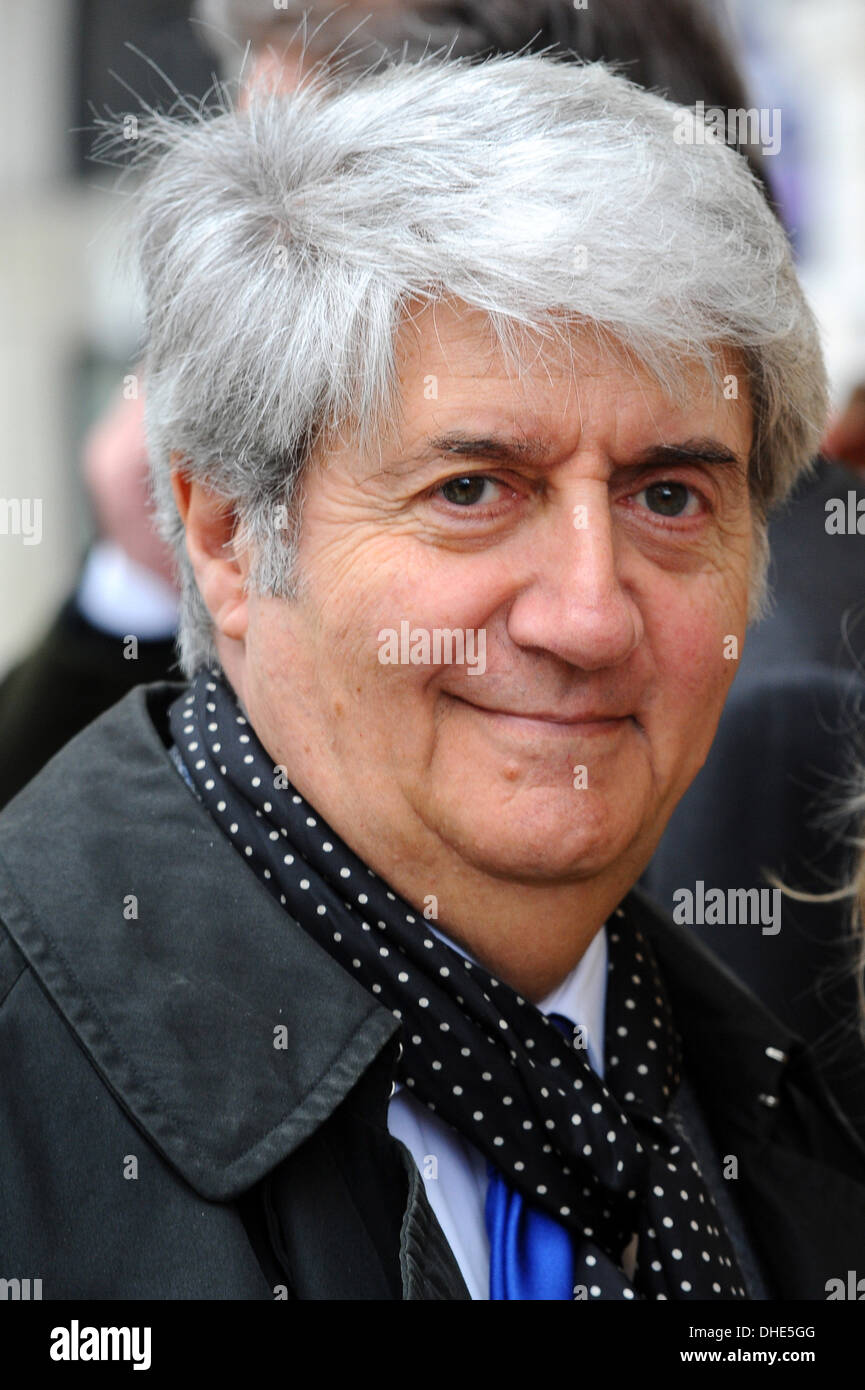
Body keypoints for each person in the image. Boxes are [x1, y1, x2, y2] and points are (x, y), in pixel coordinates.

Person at [2, 53, 864, 1303]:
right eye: (472, 490)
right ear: (228, 532)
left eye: (668, 496)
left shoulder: (791, 1110)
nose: (587, 614)